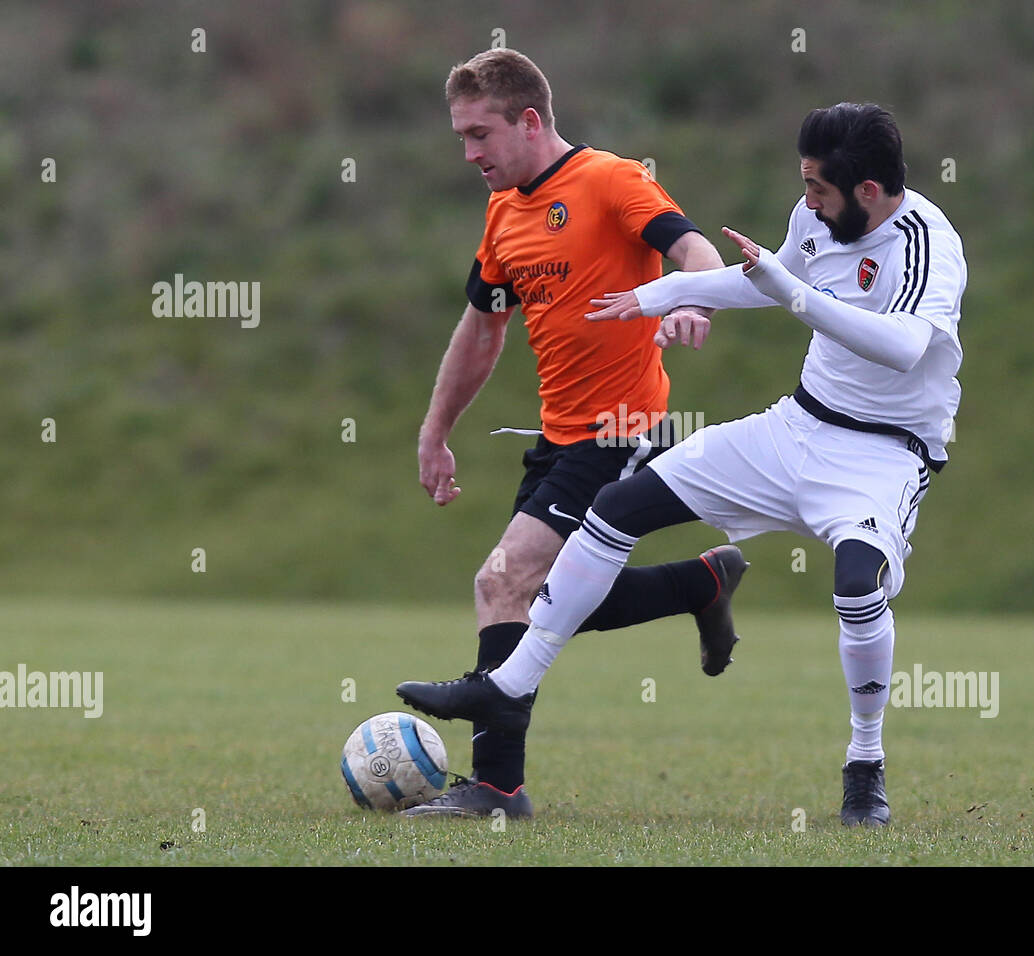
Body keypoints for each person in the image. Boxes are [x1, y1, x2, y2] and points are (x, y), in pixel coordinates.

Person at [397, 102, 966, 826]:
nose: (807, 203)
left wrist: (788, 291)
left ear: (870, 192)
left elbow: (903, 347)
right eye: (804, 186)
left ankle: (864, 767)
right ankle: (509, 684)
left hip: (883, 453)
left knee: (858, 585)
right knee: (618, 509)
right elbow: (760, 282)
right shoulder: (815, 217)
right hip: (796, 427)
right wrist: (659, 294)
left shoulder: (926, 241)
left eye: (819, 190)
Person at [398, 49, 749, 821]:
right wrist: (435, 430)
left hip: (622, 427)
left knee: (503, 580)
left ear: (529, 120)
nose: (469, 154)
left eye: (480, 134)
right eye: (460, 137)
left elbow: (693, 248)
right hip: (558, 435)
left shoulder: (612, 180)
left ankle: (496, 787)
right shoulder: (504, 213)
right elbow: (483, 328)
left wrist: (696, 300)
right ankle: (701, 584)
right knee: (542, 598)